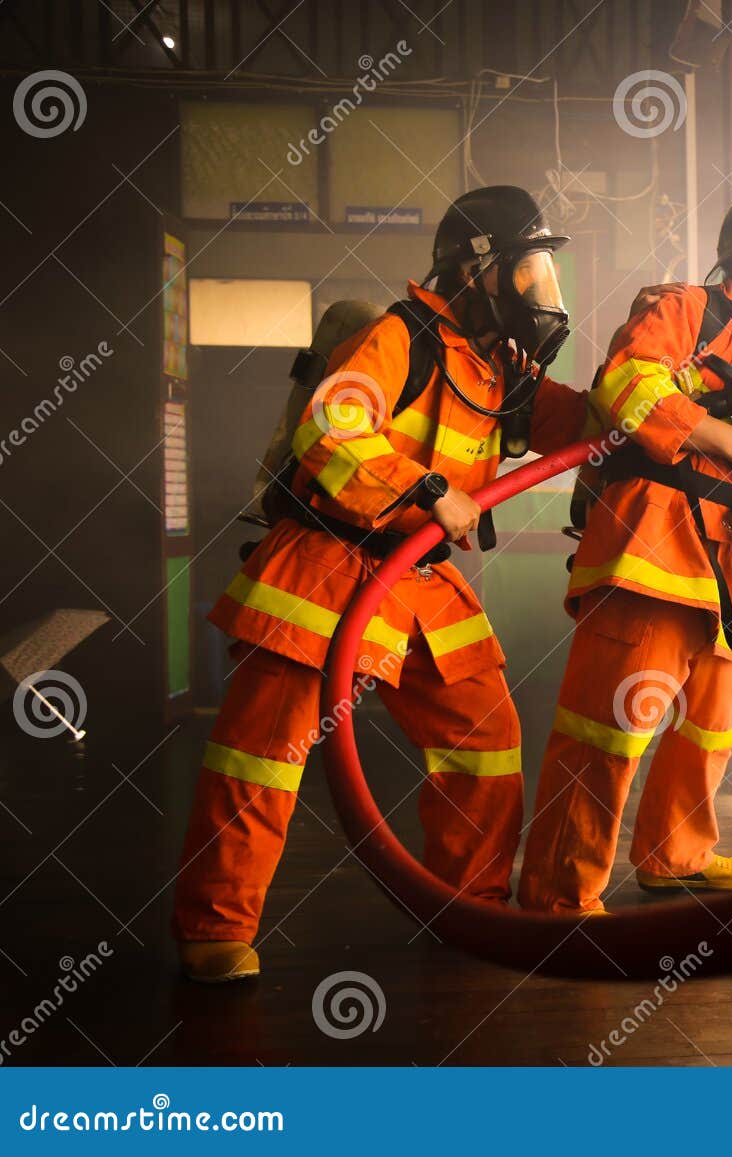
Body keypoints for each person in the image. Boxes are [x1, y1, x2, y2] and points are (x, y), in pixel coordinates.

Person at [172, 186, 589, 981]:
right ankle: (213, 930)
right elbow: (331, 428)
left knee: (485, 738)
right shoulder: (400, 338)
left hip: (420, 581)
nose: (541, 289)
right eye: (527, 269)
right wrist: (433, 491)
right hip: (326, 564)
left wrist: (673, 406)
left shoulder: (499, 367)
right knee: (263, 753)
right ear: (479, 272)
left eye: (545, 271)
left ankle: (472, 906)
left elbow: (579, 422)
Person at [518, 174, 732, 915]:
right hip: (653, 555)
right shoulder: (684, 310)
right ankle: (557, 896)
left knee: (712, 727)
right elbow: (626, 386)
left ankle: (675, 856)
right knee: (606, 728)